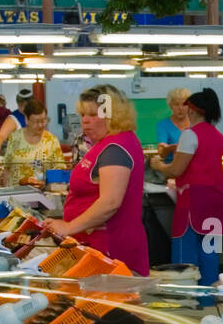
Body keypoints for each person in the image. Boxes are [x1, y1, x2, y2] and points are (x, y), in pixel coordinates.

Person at [40, 84, 148, 275]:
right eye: (82, 115)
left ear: (113, 115)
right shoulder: (107, 144)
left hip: (110, 250)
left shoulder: (116, 148)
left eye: (93, 114)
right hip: (95, 246)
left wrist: (69, 227)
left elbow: (110, 202)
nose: (85, 121)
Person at [150, 87, 223, 284]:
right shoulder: (217, 135)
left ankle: (188, 300)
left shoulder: (189, 134)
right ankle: (208, 297)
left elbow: (176, 170)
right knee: (209, 251)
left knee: (186, 253)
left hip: (193, 201)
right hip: (215, 199)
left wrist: (158, 165)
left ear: (192, 111)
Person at [4, 100, 65, 185]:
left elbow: (59, 170)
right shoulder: (15, 138)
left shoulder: (51, 140)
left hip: (43, 194)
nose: (40, 125)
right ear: (26, 119)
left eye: (43, 121)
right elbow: (7, 167)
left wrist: (44, 182)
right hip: (17, 193)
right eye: (36, 122)